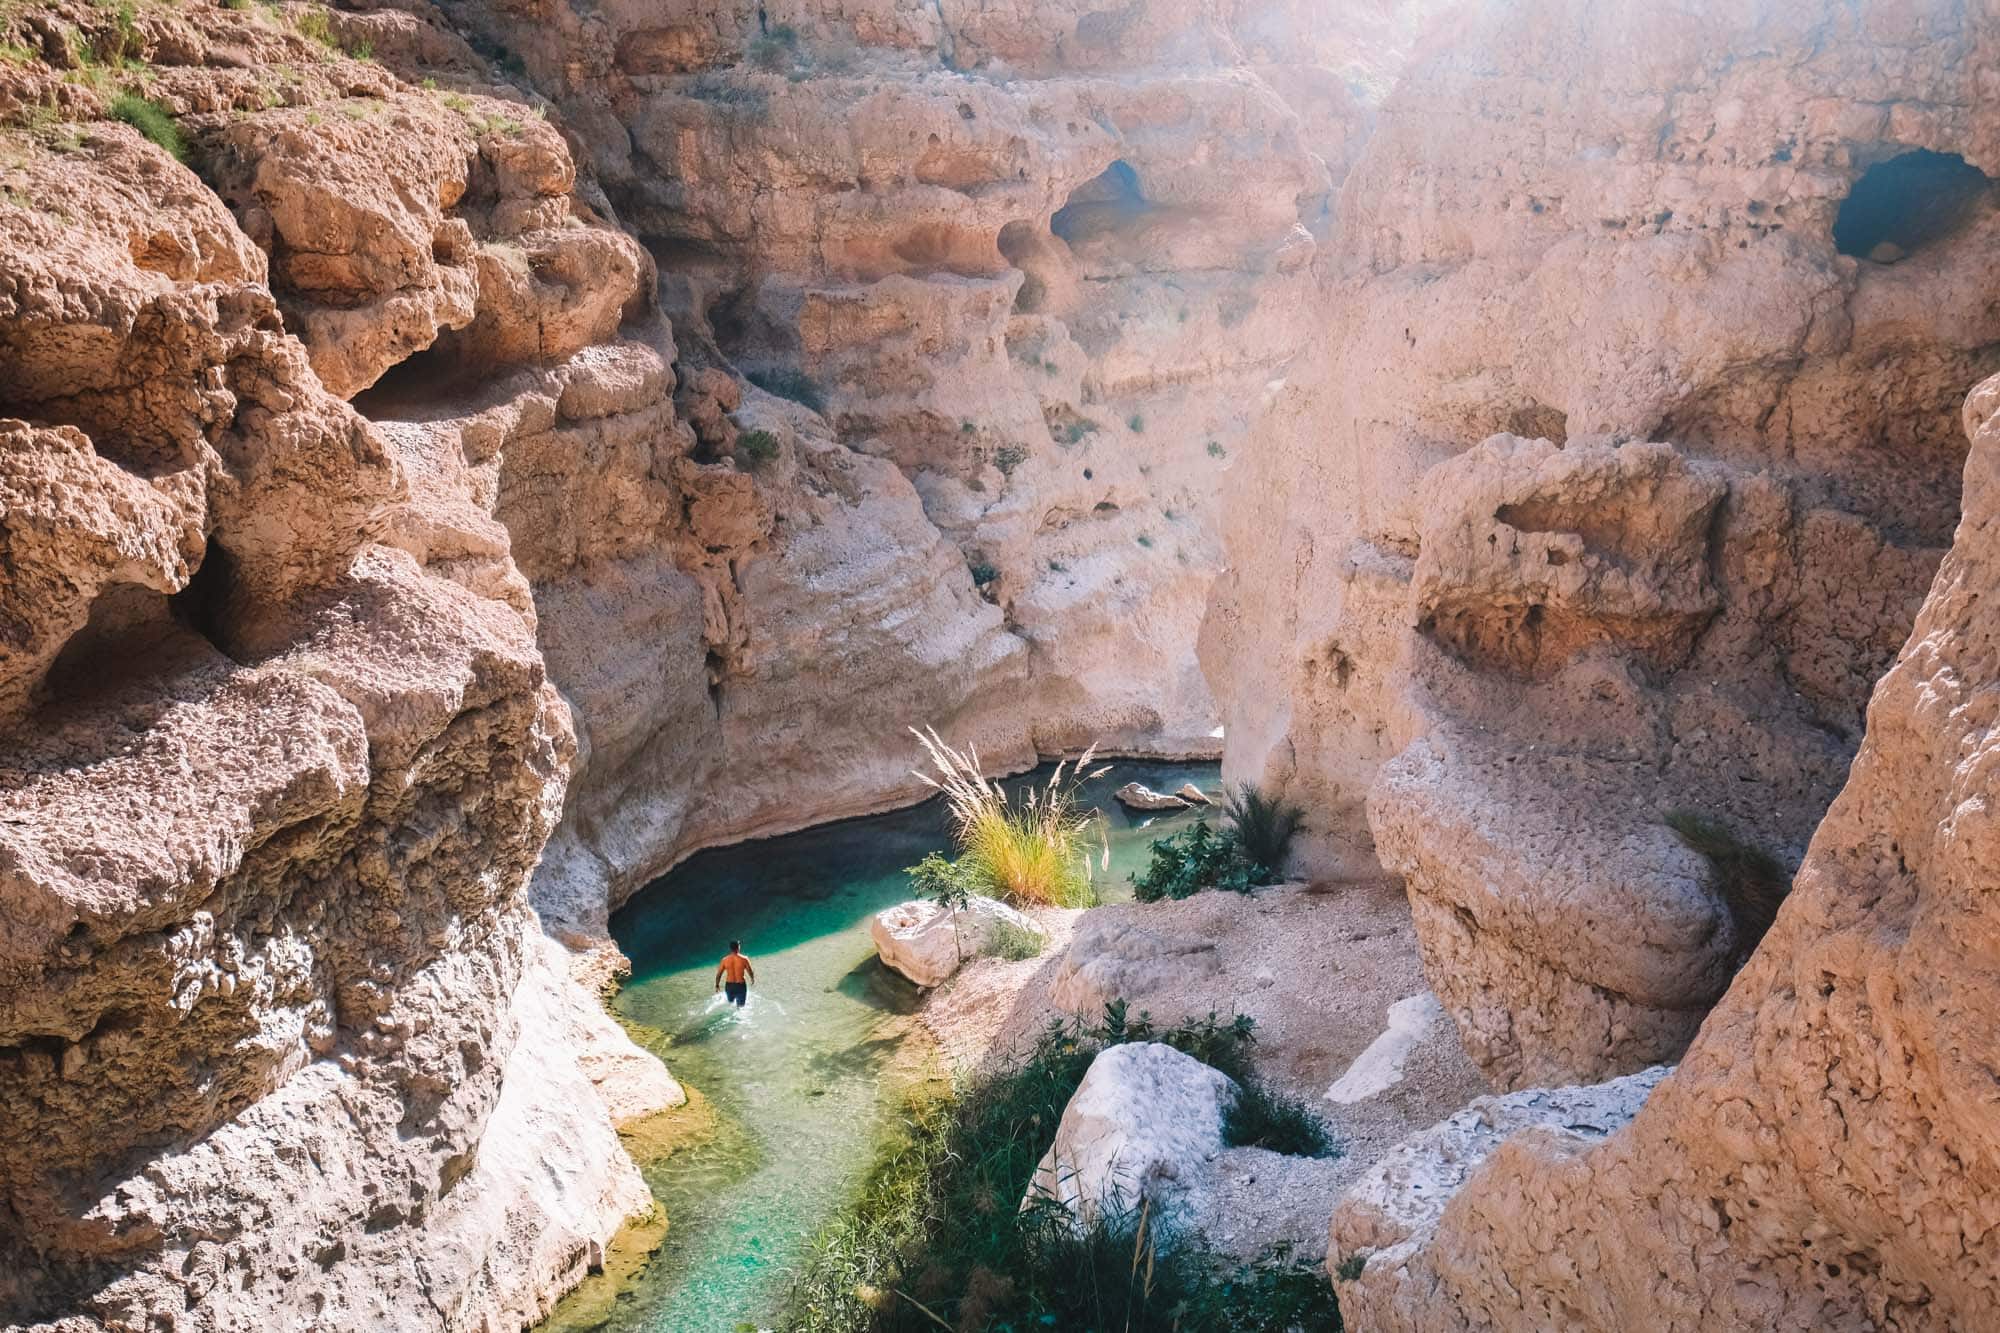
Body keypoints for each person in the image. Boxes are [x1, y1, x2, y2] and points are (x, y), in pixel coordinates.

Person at [715, 940, 755, 1007]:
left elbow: (719, 974)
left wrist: (717, 985)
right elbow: (750, 971)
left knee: (730, 1005)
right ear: (738, 947)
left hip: (729, 986)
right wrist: (752, 978)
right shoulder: (744, 959)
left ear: (730, 948)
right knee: (741, 1007)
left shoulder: (724, 960)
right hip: (740, 985)